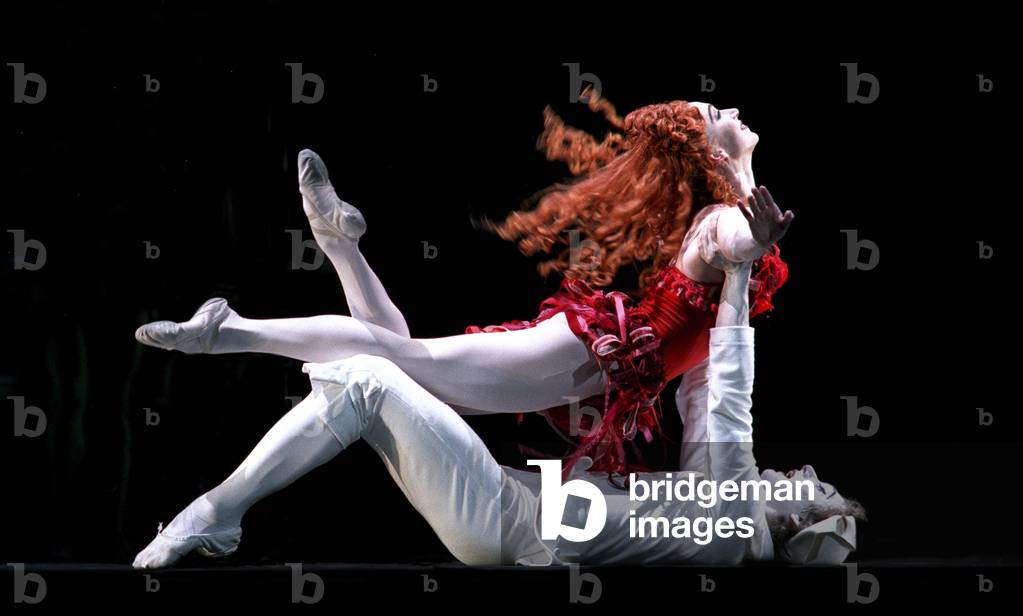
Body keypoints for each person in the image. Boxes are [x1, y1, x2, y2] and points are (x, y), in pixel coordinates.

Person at [135, 91, 791, 477]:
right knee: (396, 358)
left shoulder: (729, 208)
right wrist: (754, 241)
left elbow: (727, 288)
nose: (731, 106)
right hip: (584, 353)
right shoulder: (723, 223)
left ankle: (339, 244)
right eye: (717, 110)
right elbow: (735, 245)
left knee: (400, 363)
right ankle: (227, 331)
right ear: (709, 151)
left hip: (586, 356)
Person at [132, 241, 863, 569]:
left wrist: (738, 280)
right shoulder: (719, 513)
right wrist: (725, 293)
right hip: (507, 506)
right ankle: (343, 255)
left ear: (799, 520)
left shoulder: (737, 526)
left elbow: (729, 406)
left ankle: (216, 507)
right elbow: (708, 393)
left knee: (373, 373)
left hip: (508, 523)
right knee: (388, 371)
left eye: (813, 487)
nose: (800, 470)